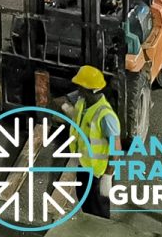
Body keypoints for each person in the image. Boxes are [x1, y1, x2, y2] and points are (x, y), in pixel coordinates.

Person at [64, 65, 120, 219]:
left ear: (90, 90)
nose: (78, 90)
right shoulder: (83, 102)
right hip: (84, 167)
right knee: (86, 207)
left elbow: (116, 150)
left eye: (81, 87)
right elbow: (66, 103)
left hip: (98, 175)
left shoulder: (106, 116)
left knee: (99, 215)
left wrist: (108, 176)